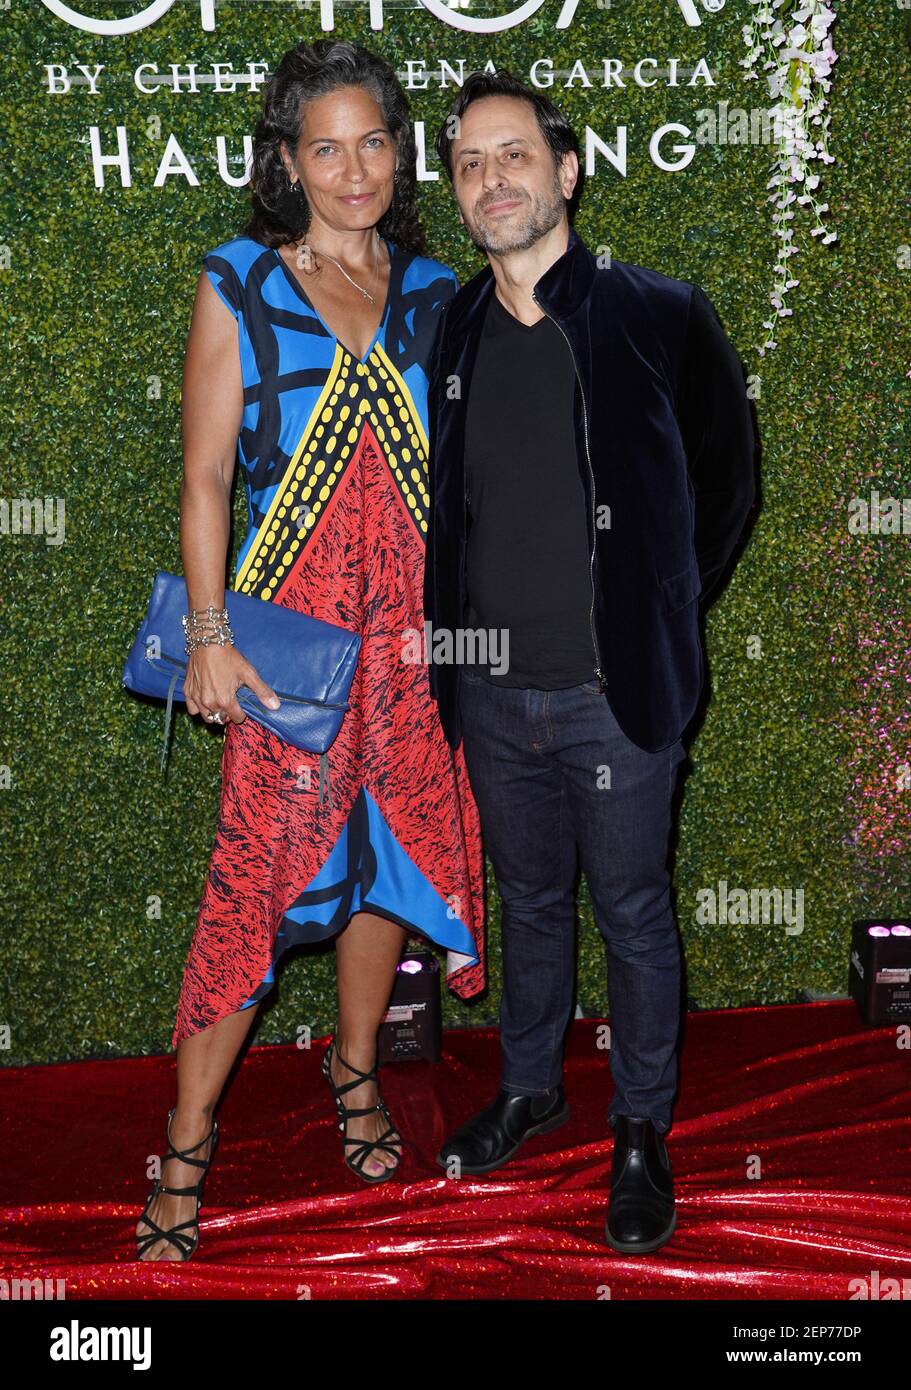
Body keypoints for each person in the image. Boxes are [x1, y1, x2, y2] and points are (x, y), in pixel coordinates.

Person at [135, 39, 485, 1262]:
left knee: (387, 863)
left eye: (373, 142)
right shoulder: (236, 280)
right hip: (290, 647)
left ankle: (352, 1071)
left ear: (402, 151)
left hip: (414, 650)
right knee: (251, 889)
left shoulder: (441, 291)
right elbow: (203, 476)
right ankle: (183, 1144)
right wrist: (212, 640)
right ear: (285, 160)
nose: (352, 169)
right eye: (323, 147)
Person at [424, 71, 757, 1254]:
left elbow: (728, 484)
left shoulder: (658, 312)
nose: (490, 179)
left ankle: (639, 1129)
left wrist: (653, 612)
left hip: (615, 699)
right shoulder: (449, 326)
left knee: (629, 909)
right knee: (523, 902)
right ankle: (530, 1087)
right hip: (491, 693)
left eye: (512, 155)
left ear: (565, 172)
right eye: (467, 163)